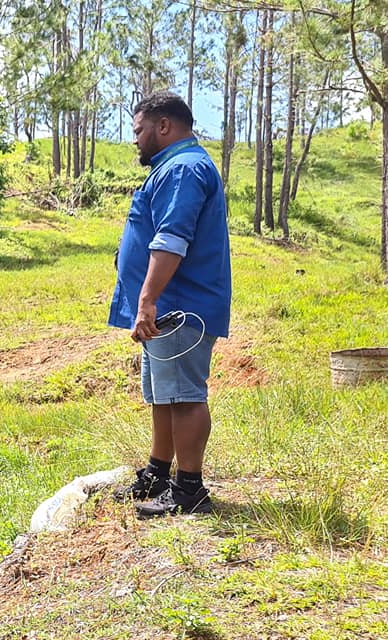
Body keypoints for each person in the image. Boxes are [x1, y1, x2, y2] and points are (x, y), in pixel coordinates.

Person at [109, 91, 231, 518]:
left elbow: (172, 240)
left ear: (164, 126)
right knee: (163, 394)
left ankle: (190, 490)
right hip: (168, 309)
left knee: (184, 396)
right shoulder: (175, 167)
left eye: (139, 130)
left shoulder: (182, 169)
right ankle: (159, 472)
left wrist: (147, 300)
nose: (135, 140)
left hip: (180, 306)